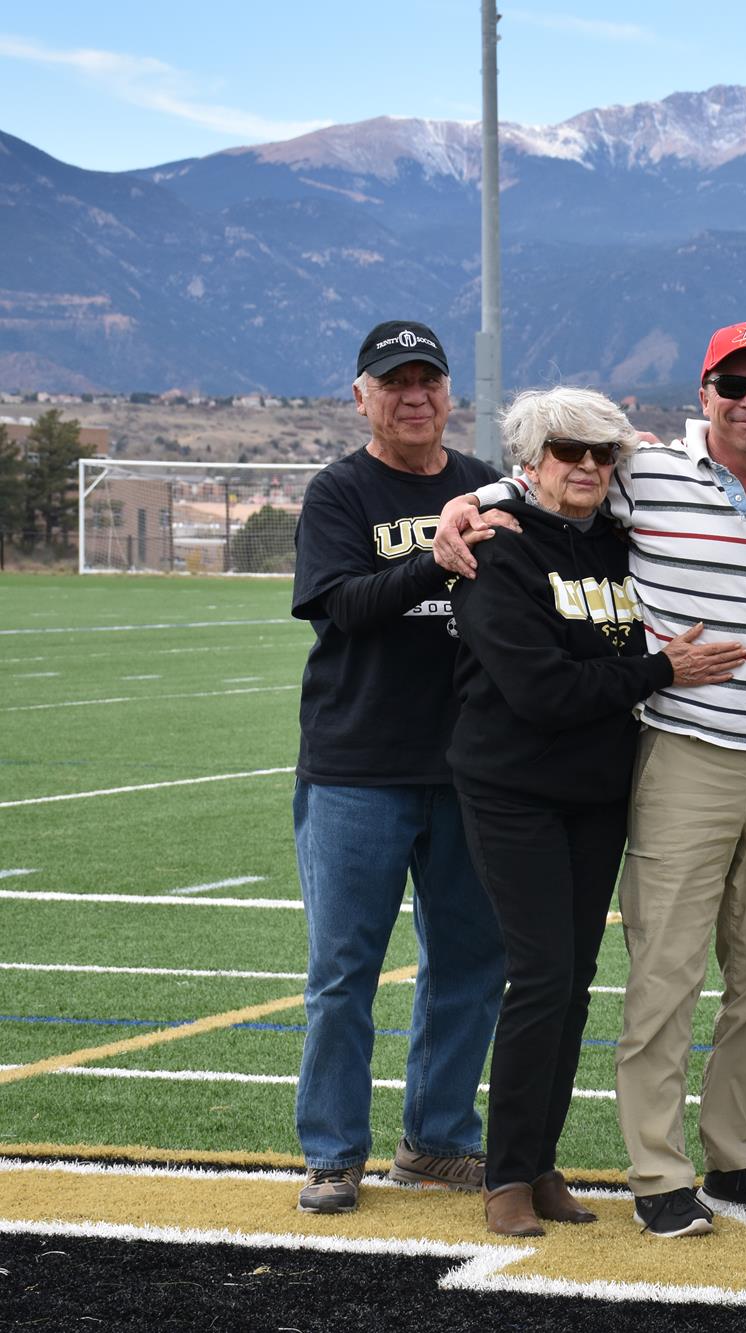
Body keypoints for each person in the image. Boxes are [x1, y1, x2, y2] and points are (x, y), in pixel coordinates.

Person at [438, 321, 746, 1238]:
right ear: (704, 394)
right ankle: (656, 1168)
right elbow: (539, 476)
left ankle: (739, 1156)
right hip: (681, 752)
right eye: (731, 382)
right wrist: (467, 505)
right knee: (664, 970)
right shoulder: (645, 476)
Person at [290, 320, 505, 1214]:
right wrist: (434, 560)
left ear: (450, 394)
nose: (414, 395)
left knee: (471, 962)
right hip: (357, 768)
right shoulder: (339, 492)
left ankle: (439, 1141)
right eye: (394, 381)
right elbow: (341, 605)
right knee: (344, 971)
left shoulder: (488, 487)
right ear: (361, 396)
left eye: (429, 380)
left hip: (471, 769)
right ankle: (333, 1153)